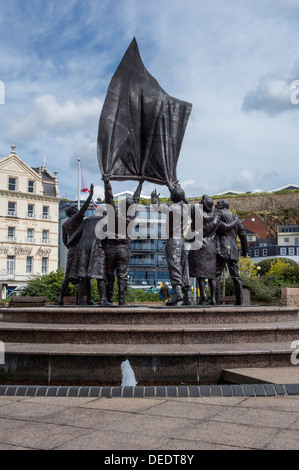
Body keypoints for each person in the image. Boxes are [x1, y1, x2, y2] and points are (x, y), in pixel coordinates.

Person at [102, 176, 144, 306]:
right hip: (124, 249)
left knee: (108, 274)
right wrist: (140, 184)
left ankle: (108, 299)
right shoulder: (131, 217)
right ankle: (121, 300)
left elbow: (109, 198)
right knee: (123, 275)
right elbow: (136, 200)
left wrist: (107, 183)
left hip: (110, 248)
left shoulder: (113, 214)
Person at [188, 195, 237, 305]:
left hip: (199, 247)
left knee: (199, 274)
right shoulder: (215, 219)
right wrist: (235, 221)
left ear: (203, 205)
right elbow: (226, 227)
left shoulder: (197, 215)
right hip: (211, 249)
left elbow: (187, 205)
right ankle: (214, 299)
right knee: (212, 275)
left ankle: (203, 296)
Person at [151, 185, 191, 306]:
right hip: (182, 241)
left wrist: (154, 198)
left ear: (172, 196)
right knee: (184, 267)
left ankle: (178, 292)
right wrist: (172, 187)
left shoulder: (171, 207)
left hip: (173, 240)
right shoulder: (186, 208)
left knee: (174, 266)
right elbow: (185, 201)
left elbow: (156, 207)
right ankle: (187, 296)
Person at [58, 184, 94, 305]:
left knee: (67, 277)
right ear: (74, 212)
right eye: (77, 211)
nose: (80, 212)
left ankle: (61, 299)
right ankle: (84, 299)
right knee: (85, 275)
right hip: (81, 250)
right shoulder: (76, 219)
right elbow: (84, 208)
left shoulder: (65, 225)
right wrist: (91, 195)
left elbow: (64, 240)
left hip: (71, 251)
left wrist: (69, 247)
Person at [67, 214, 111, 306]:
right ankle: (103, 300)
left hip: (82, 249)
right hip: (97, 248)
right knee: (100, 275)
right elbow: (109, 237)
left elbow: (73, 237)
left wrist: (71, 247)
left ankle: (79, 300)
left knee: (82, 277)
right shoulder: (106, 220)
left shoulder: (86, 220)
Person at [214, 200, 248, 305]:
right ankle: (239, 300)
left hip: (222, 248)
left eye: (219, 203)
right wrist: (244, 251)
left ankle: (215, 300)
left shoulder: (218, 213)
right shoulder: (235, 218)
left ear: (223, 205)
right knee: (236, 276)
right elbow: (243, 236)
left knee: (216, 274)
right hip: (233, 250)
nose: (216, 204)